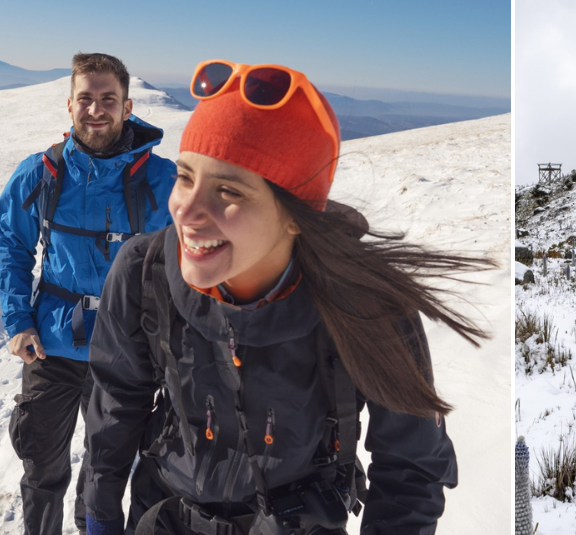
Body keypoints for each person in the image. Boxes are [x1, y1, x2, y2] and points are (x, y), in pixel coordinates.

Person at [83, 60, 494, 535]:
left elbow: (410, 468)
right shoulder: (143, 273)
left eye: (228, 190)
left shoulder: (364, 302)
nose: (187, 211)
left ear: (297, 217)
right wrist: (100, 516)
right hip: (168, 517)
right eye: (185, 177)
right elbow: (115, 404)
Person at [0, 52, 177, 535]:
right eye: (86, 99)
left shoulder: (163, 180)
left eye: (108, 100)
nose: (96, 110)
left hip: (125, 350)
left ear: (127, 105)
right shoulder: (42, 174)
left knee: (105, 474)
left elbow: (189, 262)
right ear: (69, 105)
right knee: (42, 466)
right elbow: (11, 244)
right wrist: (18, 321)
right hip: (49, 346)